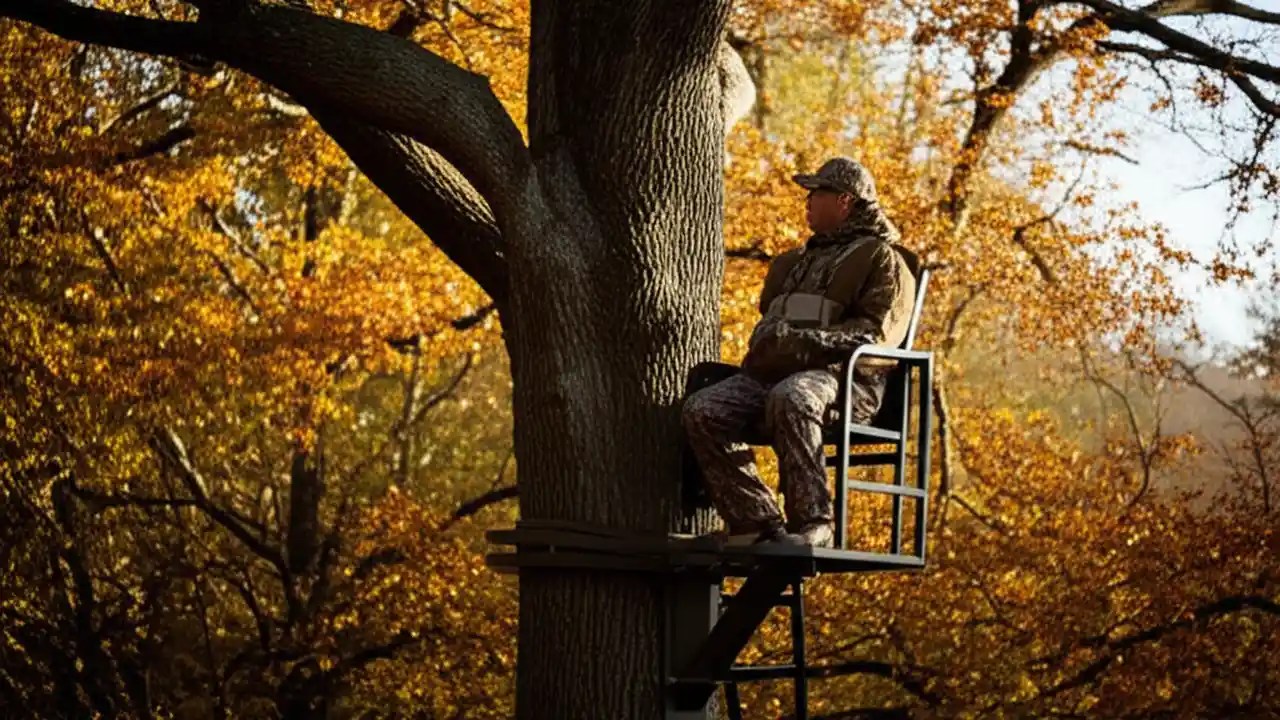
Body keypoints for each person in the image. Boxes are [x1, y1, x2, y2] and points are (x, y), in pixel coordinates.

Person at [682, 157, 917, 547]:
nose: (807, 201)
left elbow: (874, 337)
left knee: (792, 397)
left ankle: (814, 525)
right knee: (703, 409)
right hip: (770, 376)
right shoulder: (795, 263)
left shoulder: (881, 260)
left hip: (841, 381)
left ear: (845, 201)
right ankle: (755, 521)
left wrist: (801, 342)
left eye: (817, 193)